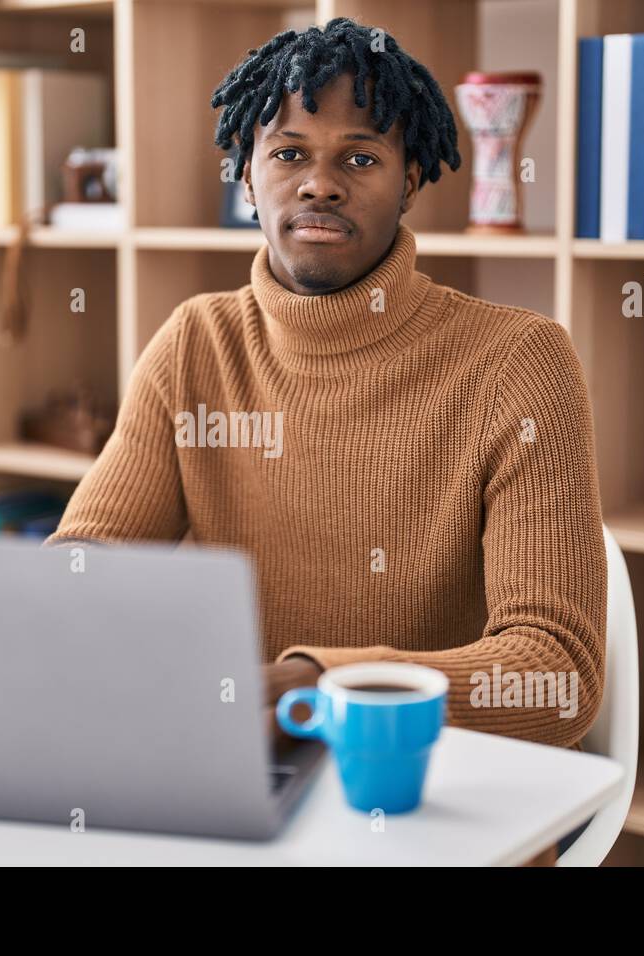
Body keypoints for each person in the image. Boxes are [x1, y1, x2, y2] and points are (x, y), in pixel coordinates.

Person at [45, 18, 606, 759]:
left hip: (437, 790)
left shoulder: (518, 362)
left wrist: (324, 685)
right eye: (287, 153)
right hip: (238, 770)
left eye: (361, 157)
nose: (319, 183)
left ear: (409, 179)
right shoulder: (195, 345)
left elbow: (557, 672)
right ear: (247, 176)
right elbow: (86, 562)